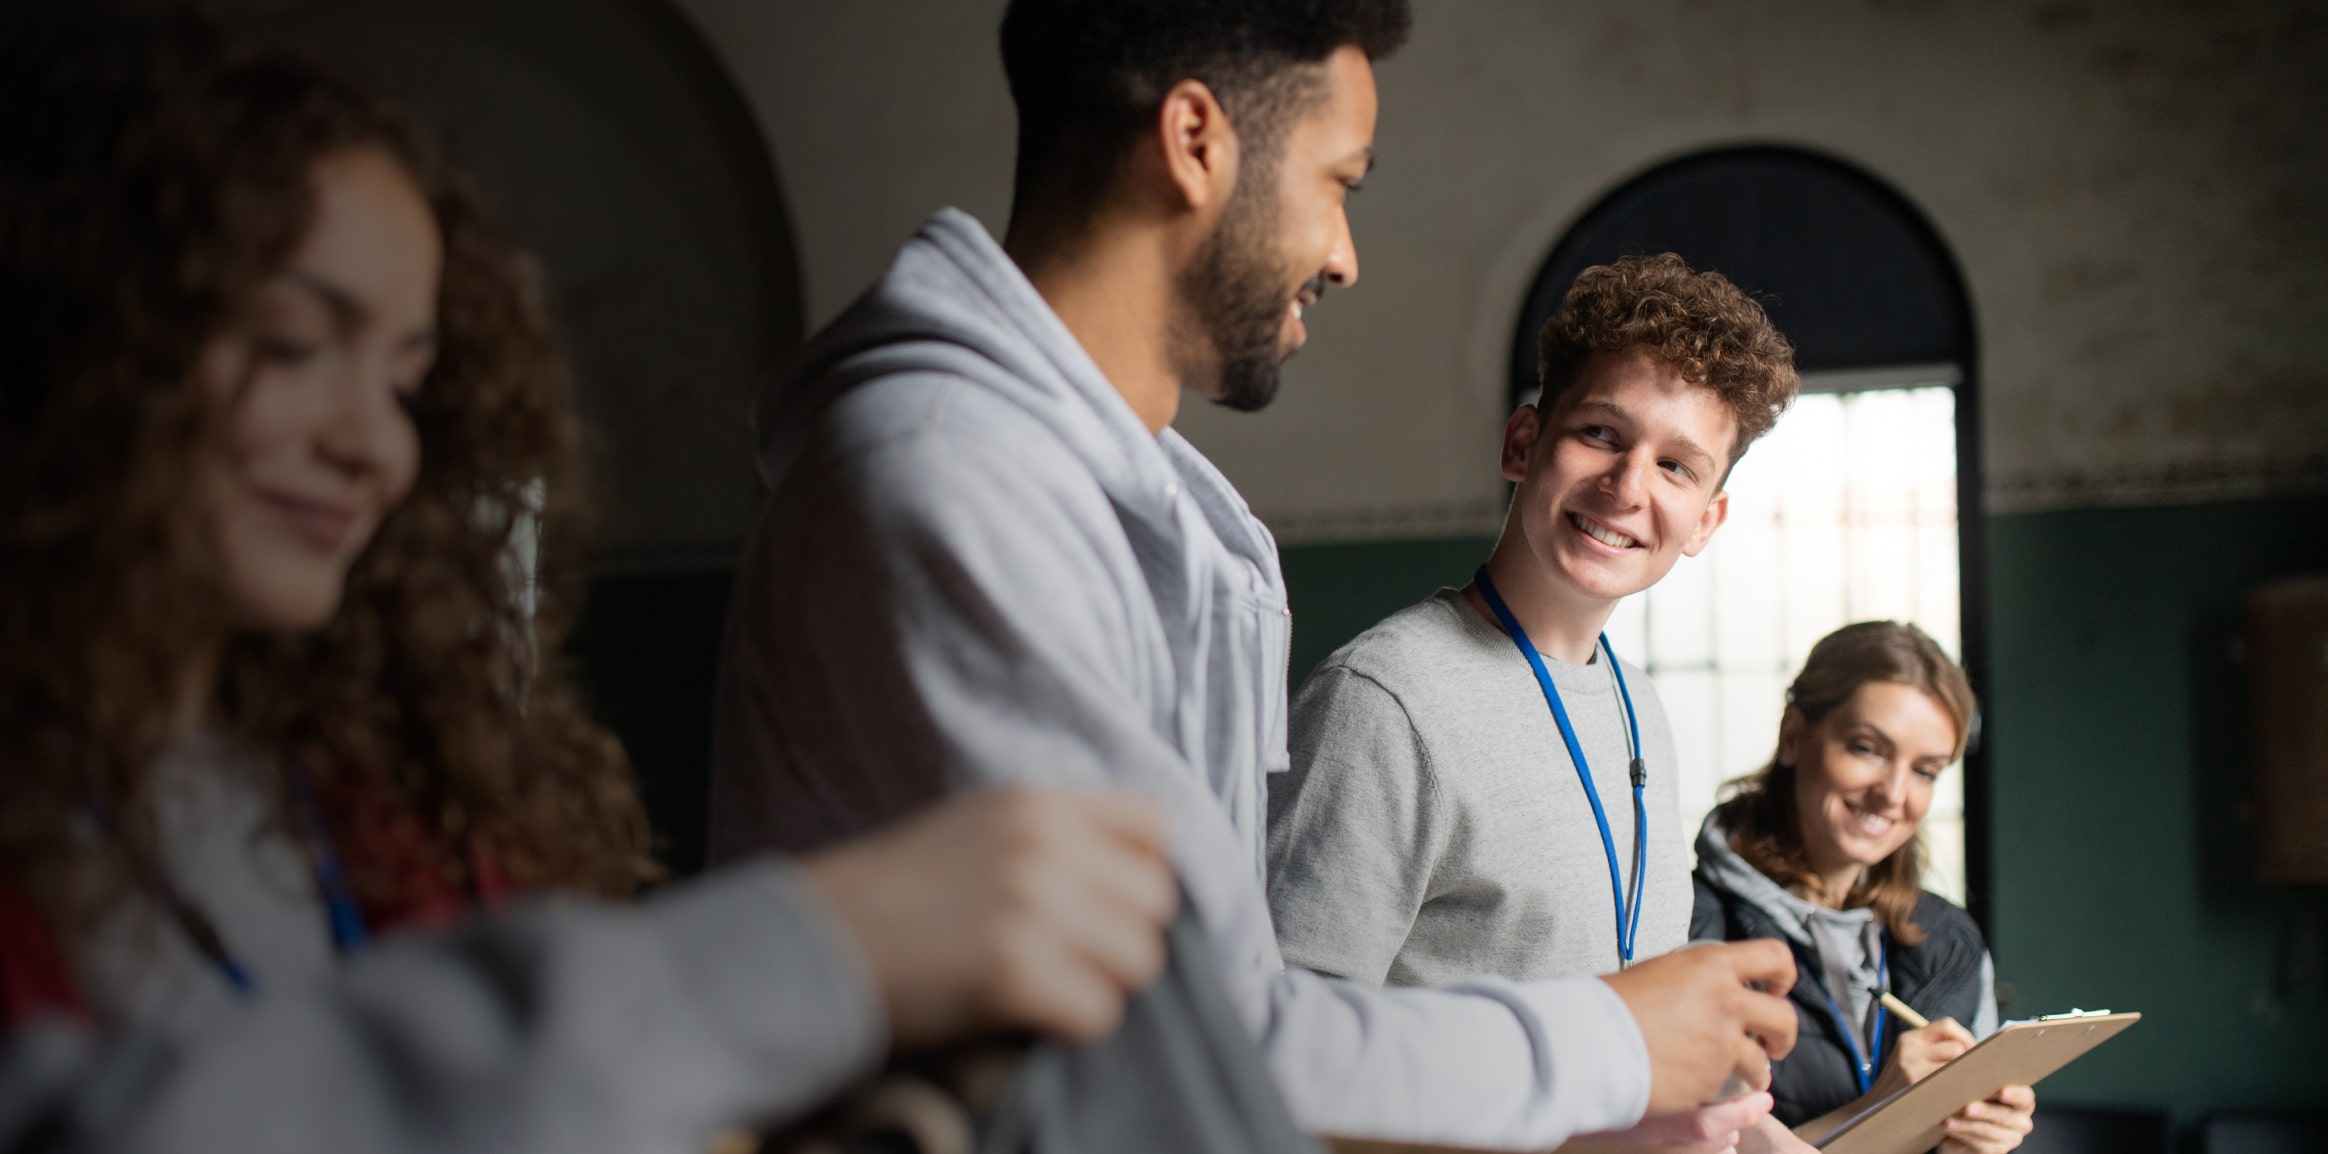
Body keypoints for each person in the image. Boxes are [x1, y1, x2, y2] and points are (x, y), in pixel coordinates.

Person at [0, 16, 1178, 1152]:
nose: (376, 446)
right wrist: (820, 946)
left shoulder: (380, 794)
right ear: (87, 344)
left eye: (408, 382)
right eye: (297, 345)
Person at [709, 2, 1802, 1148]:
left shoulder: (1156, 511)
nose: (1344, 254)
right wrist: (1608, 1048)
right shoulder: (950, 476)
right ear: (1194, 141)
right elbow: (1176, 1052)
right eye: (1340, 182)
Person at [1264, 254, 1814, 1153]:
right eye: (1601, 433)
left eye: (1678, 467)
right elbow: (1275, 1082)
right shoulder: (1382, 704)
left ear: (1706, 521)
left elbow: (1673, 1075)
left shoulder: (1640, 710)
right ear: (1523, 443)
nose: (1629, 487)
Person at [1690, 622, 2036, 1152]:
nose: (1892, 794)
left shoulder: (1951, 943)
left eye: (1925, 771)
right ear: (1793, 735)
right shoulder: (1687, 928)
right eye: (1867, 748)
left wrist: (1981, 1137)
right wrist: (1880, 1110)